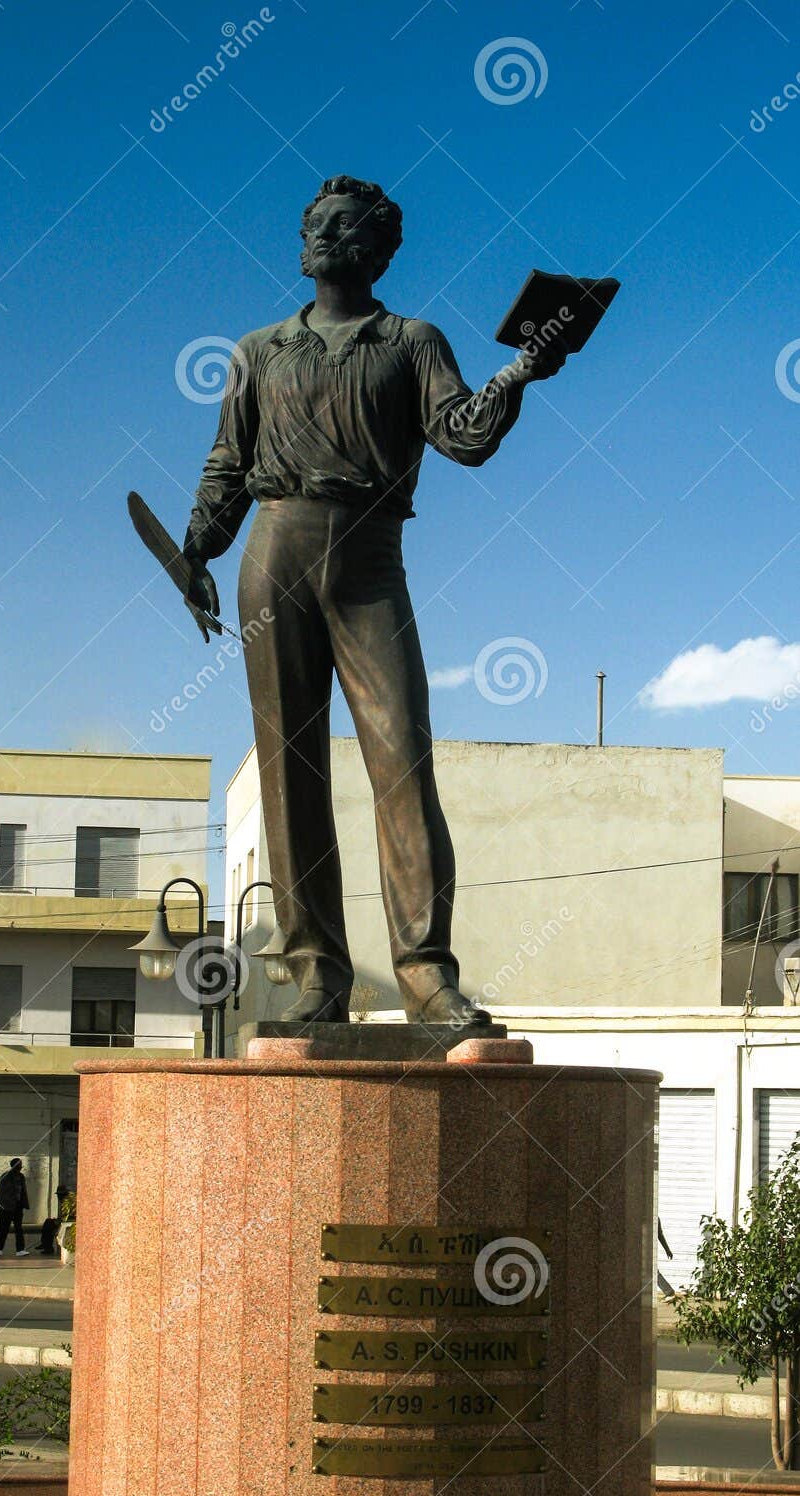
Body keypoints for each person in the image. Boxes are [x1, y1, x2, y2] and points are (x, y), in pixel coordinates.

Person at [184, 174, 566, 1027]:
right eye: (311, 221)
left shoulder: (411, 341)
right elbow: (226, 465)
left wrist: (521, 371)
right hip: (273, 550)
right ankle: (318, 971)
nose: (316, 232)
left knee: (401, 758)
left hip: (369, 558)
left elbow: (463, 438)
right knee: (290, 767)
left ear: (375, 247)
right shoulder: (258, 351)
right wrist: (198, 548)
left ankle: (426, 973)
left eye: (336, 224)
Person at [0, 1157, 30, 1257]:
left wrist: (24, 1203)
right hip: (7, 1207)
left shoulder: (21, 1177)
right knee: (3, 1228)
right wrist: (3, 1206)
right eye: (19, 1165)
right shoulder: (5, 1176)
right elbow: (2, 1193)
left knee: (19, 1228)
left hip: (18, 1206)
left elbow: (23, 1192)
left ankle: (20, 1249)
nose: (20, 1167)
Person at [36, 1183, 68, 1256]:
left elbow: (68, 1216)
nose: (58, 1197)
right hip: (62, 1221)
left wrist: (59, 1221)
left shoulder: (67, 1202)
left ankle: (47, 1247)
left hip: (65, 1222)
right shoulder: (63, 1202)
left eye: (60, 1195)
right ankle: (45, 1244)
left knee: (49, 1225)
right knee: (48, 1221)